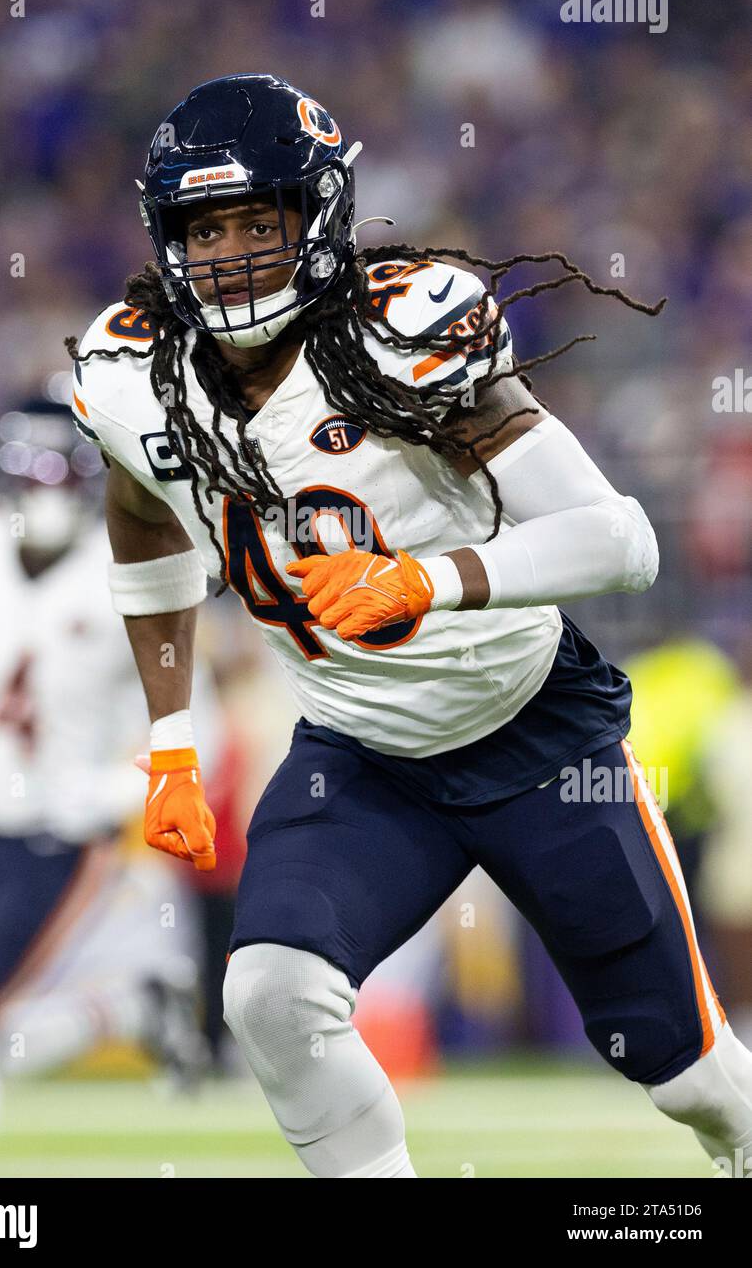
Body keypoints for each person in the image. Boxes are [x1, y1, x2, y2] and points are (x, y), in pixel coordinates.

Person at [68, 73, 752, 1178]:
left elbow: (622, 541)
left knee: (688, 1077)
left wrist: (430, 582)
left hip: (534, 736)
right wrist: (169, 744)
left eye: (259, 220)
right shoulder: (134, 377)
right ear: (164, 236)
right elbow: (144, 525)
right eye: (205, 227)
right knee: (268, 997)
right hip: (361, 756)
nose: (232, 253)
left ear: (322, 219)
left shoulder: (397, 338)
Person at [0, 384, 214, 1177]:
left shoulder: (127, 569)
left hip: (63, 837)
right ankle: (133, 1005)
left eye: (61, 471)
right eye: (28, 471)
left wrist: (104, 793)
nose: (45, 488)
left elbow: (181, 727)